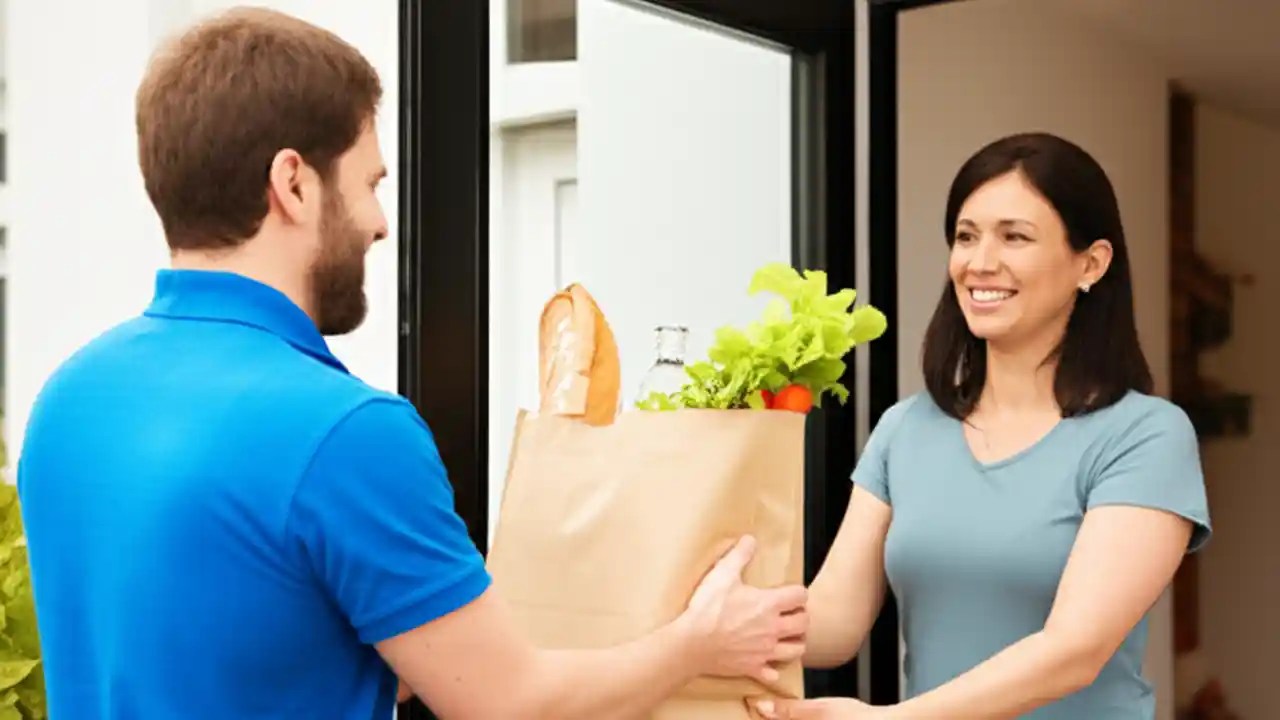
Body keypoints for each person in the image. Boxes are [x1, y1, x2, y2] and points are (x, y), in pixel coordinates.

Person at [16, 8, 807, 719]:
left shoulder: (69, 400)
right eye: (369, 183)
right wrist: (698, 645)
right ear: (292, 183)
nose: (380, 223)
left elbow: (223, 640)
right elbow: (510, 704)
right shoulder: (346, 432)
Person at [759, 132, 1212, 719]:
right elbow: (831, 625)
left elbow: (1074, 651)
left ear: (1091, 263)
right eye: (966, 236)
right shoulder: (906, 428)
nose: (979, 262)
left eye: (1014, 237)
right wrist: (706, 616)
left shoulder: (1145, 436)